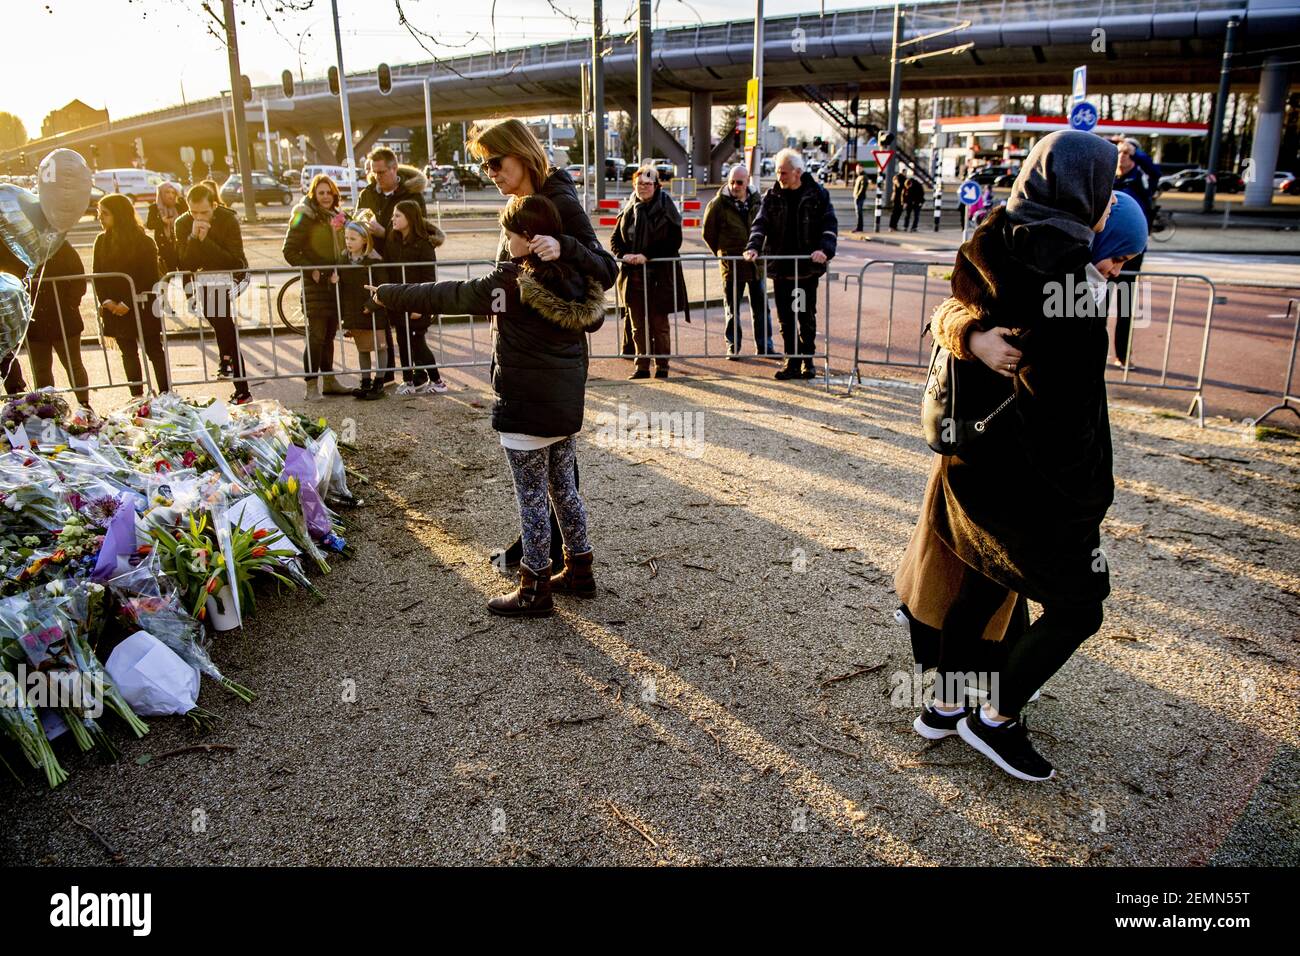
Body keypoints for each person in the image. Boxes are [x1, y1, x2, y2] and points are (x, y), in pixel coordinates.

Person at [896, 130, 1119, 783]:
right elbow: (1064, 416)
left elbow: (951, 310)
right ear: (1086, 192)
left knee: (983, 574)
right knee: (1081, 605)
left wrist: (966, 331)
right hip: (1027, 480)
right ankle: (992, 716)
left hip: (971, 467)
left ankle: (942, 705)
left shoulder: (989, 238)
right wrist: (1087, 498)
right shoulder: (1070, 275)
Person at [370, 195, 606, 617]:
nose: (506, 241)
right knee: (563, 489)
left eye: (510, 234)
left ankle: (534, 587)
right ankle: (580, 568)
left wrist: (389, 293)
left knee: (532, 496)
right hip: (564, 405)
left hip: (524, 406)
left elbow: (450, 295)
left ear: (528, 239)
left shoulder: (511, 284)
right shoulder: (576, 279)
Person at [467, 117, 617, 572]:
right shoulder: (523, 201)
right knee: (549, 464)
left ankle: (545, 564)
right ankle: (555, 552)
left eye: (495, 162)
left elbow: (606, 269)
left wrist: (564, 244)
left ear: (522, 153)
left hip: (552, 354)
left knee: (549, 463)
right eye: (483, 167)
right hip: (526, 350)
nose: (490, 173)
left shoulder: (558, 202)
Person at [744, 147, 838, 381]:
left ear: (797, 172)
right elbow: (760, 224)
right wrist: (753, 246)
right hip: (781, 269)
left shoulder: (817, 195)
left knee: (805, 315)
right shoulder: (772, 196)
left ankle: (808, 361)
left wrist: (824, 250)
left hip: (805, 271)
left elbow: (829, 224)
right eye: (778, 172)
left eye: (783, 173)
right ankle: (791, 361)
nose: (779, 177)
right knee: (785, 318)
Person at [610, 164, 688, 380]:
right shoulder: (628, 209)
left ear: (656, 185)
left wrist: (647, 255)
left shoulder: (667, 208)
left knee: (658, 324)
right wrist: (624, 255)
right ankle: (641, 366)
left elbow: (674, 241)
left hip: (659, 277)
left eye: (647, 183)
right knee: (637, 325)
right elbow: (615, 239)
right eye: (639, 183)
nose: (642, 187)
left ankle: (662, 365)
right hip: (633, 276)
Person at [357, 148, 427, 388]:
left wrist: (383, 233)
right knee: (381, 318)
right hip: (376, 263)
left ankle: (414, 374)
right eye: (373, 172)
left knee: (404, 324)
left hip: (401, 264)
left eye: (381, 172)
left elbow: (417, 230)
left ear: (394, 169)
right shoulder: (367, 193)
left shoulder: (412, 195)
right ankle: (386, 373)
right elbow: (358, 223)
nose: (377, 177)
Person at [175, 182, 251, 404]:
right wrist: (193, 239)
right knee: (221, 321)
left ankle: (232, 373)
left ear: (214, 206)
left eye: (204, 212)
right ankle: (234, 374)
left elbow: (233, 259)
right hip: (204, 279)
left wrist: (205, 241)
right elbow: (184, 262)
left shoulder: (228, 219)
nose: (199, 217)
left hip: (234, 275)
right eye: (193, 212)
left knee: (221, 318)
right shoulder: (182, 223)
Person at [283, 173, 353, 400]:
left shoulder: (338, 216)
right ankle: (311, 385)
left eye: (329, 192)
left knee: (330, 333)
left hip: (334, 283)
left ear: (335, 194)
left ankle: (330, 380)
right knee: (316, 335)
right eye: (320, 192)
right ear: (313, 194)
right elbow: (289, 250)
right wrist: (310, 268)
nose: (325, 197)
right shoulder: (305, 216)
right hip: (315, 285)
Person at [91, 194, 169, 397]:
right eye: (100, 213)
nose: (100, 217)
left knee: (154, 350)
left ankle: (166, 394)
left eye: (105, 213)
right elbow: (97, 274)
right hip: (115, 309)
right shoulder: (101, 241)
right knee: (128, 353)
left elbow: (150, 275)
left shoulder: (143, 241)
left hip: (142, 305)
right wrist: (107, 301)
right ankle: (136, 396)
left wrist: (128, 302)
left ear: (120, 214)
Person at [702, 164, 774, 358]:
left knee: (761, 308)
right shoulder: (717, 205)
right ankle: (733, 346)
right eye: (732, 181)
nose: (735, 186)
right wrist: (722, 253)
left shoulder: (758, 202)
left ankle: (765, 346)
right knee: (732, 309)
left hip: (755, 266)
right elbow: (708, 233)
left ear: (747, 180)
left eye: (739, 182)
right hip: (732, 266)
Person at [23, 239, 92, 407]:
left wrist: (70, 303)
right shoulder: (21, 246)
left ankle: (84, 405)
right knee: (41, 369)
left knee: (73, 364)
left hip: (63, 317)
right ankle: (47, 409)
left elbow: (78, 278)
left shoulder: (60, 245)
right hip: (34, 320)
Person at [1111, 138, 1159, 366]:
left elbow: (1155, 171)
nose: (1122, 157)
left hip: (1131, 253)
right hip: (1106, 250)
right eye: (1120, 153)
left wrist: (1137, 153)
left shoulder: (1141, 178)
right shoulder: (1109, 176)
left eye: (1127, 154)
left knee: (1125, 305)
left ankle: (1122, 355)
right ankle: (1093, 353)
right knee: (1095, 305)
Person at [337, 221, 388, 401]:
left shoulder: (374, 260)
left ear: (364, 240)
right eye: (346, 238)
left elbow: (382, 286)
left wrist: (372, 305)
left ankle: (379, 382)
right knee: (363, 349)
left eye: (353, 238)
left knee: (380, 347)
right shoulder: (343, 259)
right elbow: (342, 287)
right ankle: (365, 382)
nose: (348, 242)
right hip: (354, 310)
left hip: (374, 310)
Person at [145, 181, 187, 275]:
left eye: (173, 192)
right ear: (161, 194)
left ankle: (187, 290)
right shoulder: (154, 208)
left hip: (179, 244)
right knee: (168, 274)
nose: (170, 195)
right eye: (167, 192)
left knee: (184, 273)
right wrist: (161, 222)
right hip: (164, 246)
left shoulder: (179, 206)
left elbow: (188, 215)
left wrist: (180, 198)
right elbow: (149, 225)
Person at [852, 165, 869, 232]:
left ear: (862, 169)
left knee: (859, 213)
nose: (857, 170)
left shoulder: (863, 177)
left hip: (859, 198)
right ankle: (859, 227)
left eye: (859, 169)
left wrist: (857, 196)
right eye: (857, 169)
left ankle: (859, 228)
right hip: (857, 197)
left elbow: (862, 188)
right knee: (858, 213)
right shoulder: (860, 176)